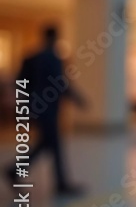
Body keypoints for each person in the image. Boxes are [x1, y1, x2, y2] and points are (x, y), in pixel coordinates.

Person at [6, 26, 87, 196]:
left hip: (36, 106)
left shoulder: (31, 57)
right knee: (53, 143)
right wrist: (77, 98)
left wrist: (26, 102)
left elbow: (19, 81)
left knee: (48, 143)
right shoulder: (53, 58)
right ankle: (59, 183)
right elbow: (59, 83)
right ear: (56, 37)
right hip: (48, 108)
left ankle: (15, 171)